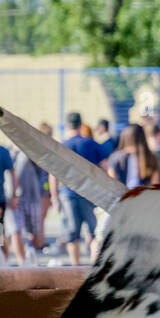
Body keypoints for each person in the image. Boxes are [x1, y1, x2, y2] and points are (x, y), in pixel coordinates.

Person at [56, 112, 105, 265]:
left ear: (67, 124)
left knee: (72, 234)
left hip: (68, 193)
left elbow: (53, 173)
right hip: (89, 192)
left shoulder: (62, 145)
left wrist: (53, 195)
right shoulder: (91, 144)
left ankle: (75, 267)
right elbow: (104, 167)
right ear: (81, 123)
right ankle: (95, 265)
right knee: (94, 231)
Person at [8, 144, 48, 264]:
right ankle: (22, 262)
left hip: (32, 197)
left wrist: (45, 193)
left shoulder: (30, 150)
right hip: (12, 199)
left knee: (34, 232)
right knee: (15, 230)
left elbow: (43, 172)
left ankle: (32, 257)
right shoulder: (7, 152)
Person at [106, 124, 160, 189]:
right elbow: (154, 185)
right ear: (143, 138)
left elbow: (112, 184)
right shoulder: (151, 158)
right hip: (145, 196)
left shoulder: (115, 158)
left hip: (122, 197)